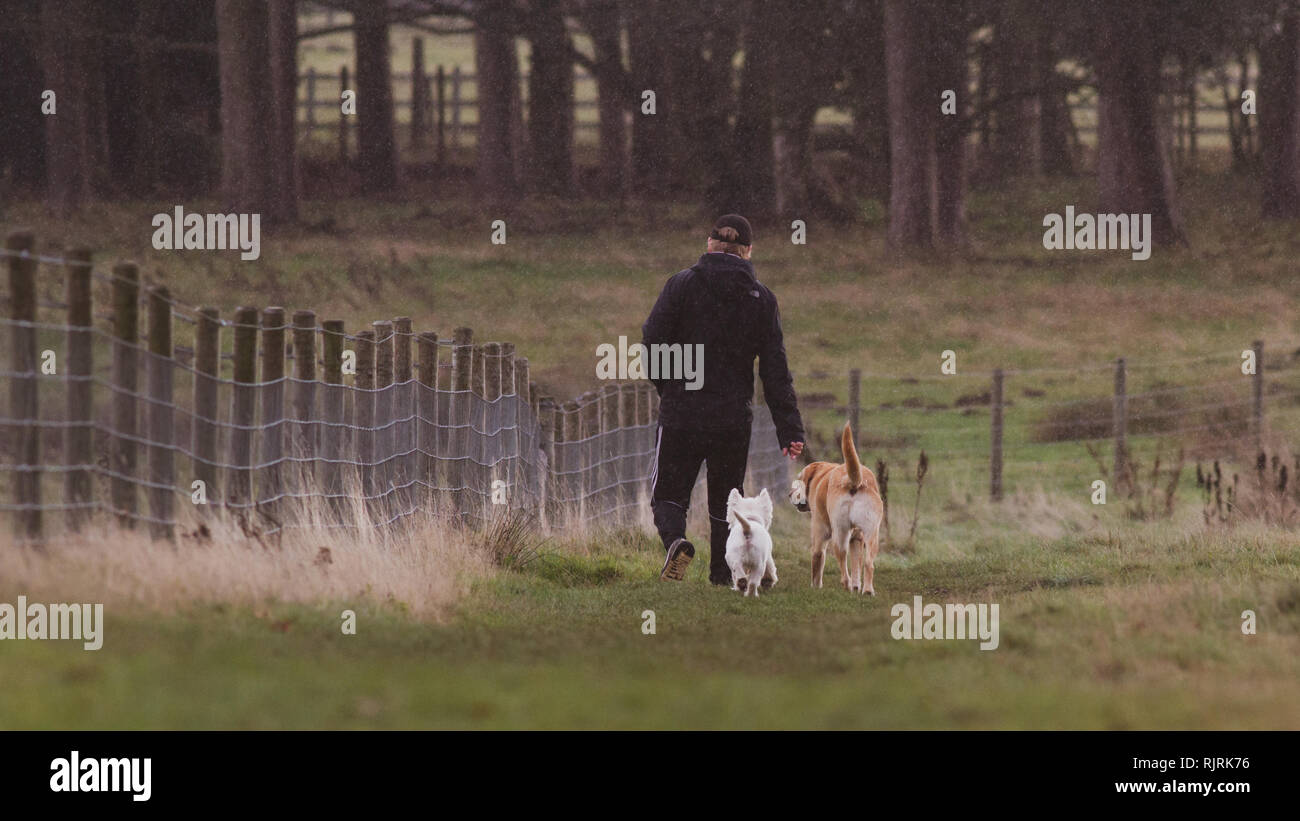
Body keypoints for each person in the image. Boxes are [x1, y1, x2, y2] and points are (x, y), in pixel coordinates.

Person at [642, 214, 805, 584]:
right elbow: (775, 370)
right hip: (732, 419)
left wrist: (668, 386)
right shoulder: (762, 299)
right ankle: (721, 574)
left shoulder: (681, 285)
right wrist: (789, 428)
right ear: (748, 251)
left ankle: (676, 543)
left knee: (668, 495)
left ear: (709, 243)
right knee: (724, 503)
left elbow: (651, 342)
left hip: (682, 412)